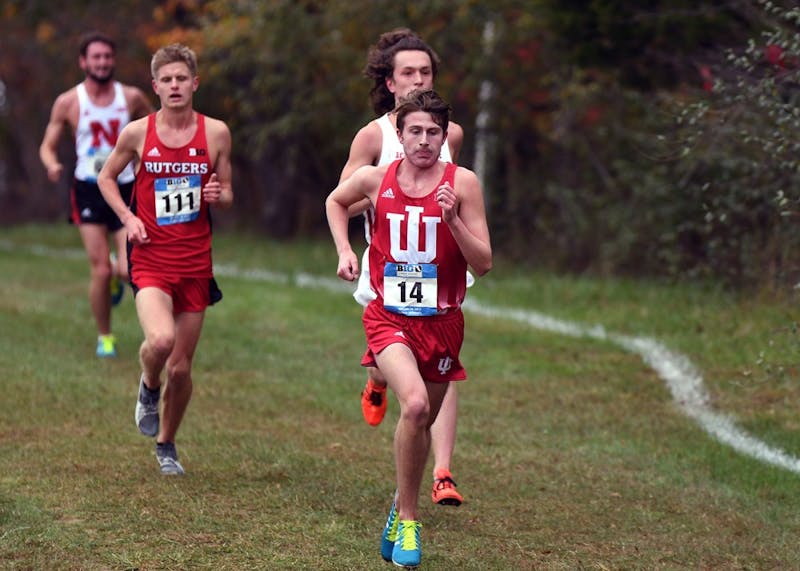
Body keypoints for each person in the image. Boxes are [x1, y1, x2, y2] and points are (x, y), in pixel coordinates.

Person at [326, 89, 491, 568]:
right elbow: (336, 202)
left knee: (419, 424)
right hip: (387, 317)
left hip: (442, 323)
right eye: (414, 131)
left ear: (445, 137)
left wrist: (453, 220)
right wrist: (344, 250)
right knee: (415, 405)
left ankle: (399, 506)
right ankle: (412, 523)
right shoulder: (377, 179)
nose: (423, 140)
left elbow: (485, 262)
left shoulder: (463, 184)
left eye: (432, 133)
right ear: (399, 135)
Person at [339, 28, 468, 507]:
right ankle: (375, 380)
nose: (417, 79)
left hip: (443, 263)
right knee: (395, 362)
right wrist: (386, 193)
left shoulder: (448, 133)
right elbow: (343, 200)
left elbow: (456, 185)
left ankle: (441, 471)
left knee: (442, 365)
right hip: (388, 269)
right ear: (390, 83)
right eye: (407, 72)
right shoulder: (372, 136)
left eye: (425, 71)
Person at [97, 43, 233, 476]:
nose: (175, 86)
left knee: (182, 368)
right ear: (155, 86)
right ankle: (147, 386)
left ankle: (167, 443)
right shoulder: (138, 133)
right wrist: (127, 216)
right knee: (160, 343)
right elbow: (106, 178)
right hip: (151, 257)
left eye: (182, 79)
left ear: (195, 83)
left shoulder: (216, 133)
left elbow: (227, 192)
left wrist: (218, 194)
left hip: (195, 263)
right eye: (166, 80)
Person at [39, 31, 154, 358]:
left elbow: (153, 127)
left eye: (107, 56)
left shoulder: (131, 97)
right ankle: (105, 336)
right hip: (89, 188)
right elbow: (47, 145)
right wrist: (51, 164)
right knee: (100, 269)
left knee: (129, 268)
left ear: (113, 60)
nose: (102, 62)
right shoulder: (68, 101)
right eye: (96, 57)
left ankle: (120, 278)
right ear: (83, 61)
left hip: (127, 186)